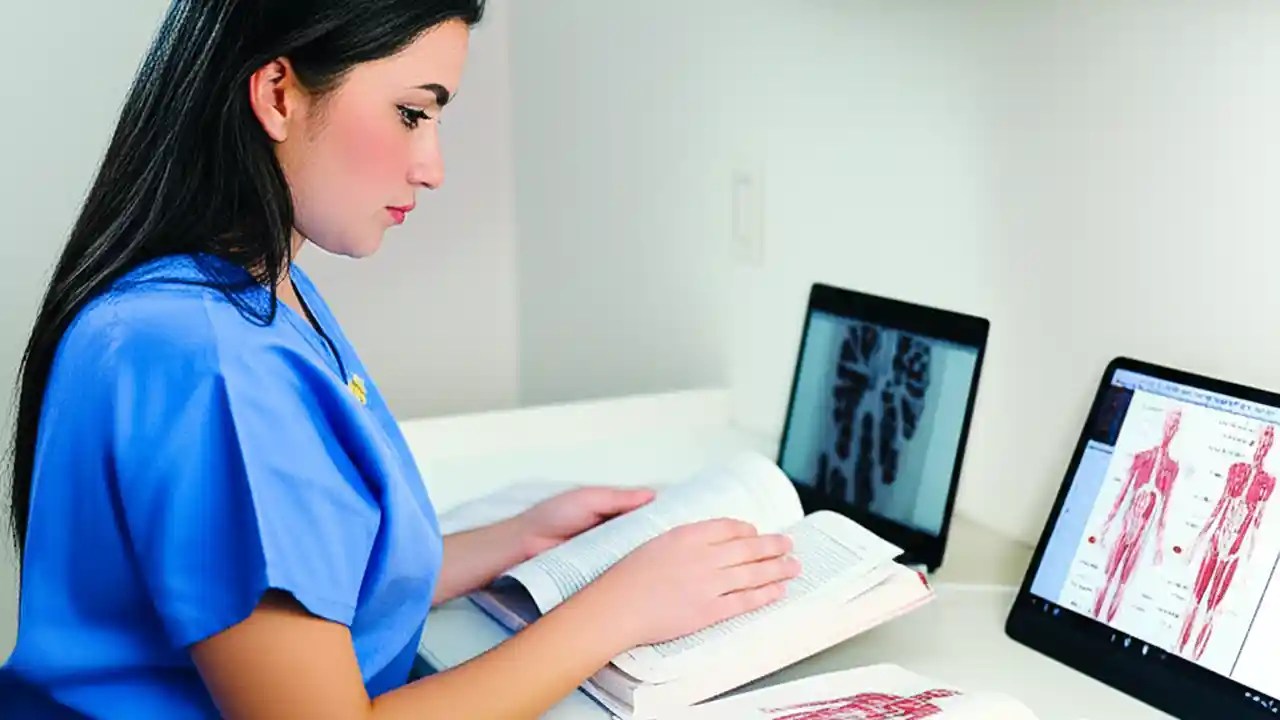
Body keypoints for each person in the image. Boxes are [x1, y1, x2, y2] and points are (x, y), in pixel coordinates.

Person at [0, 1, 801, 718]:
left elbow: (284, 582)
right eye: (413, 114)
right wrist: (621, 611)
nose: (433, 166)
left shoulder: (235, 295)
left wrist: (516, 540)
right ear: (278, 94)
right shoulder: (209, 358)